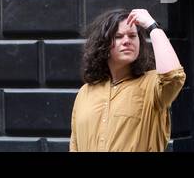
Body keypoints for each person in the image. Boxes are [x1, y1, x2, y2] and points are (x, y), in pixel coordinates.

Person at [69, 8, 185, 152]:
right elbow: (74, 146)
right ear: (103, 44)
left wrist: (152, 26)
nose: (127, 41)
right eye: (118, 36)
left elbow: (173, 76)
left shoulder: (151, 85)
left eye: (132, 36)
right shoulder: (84, 93)